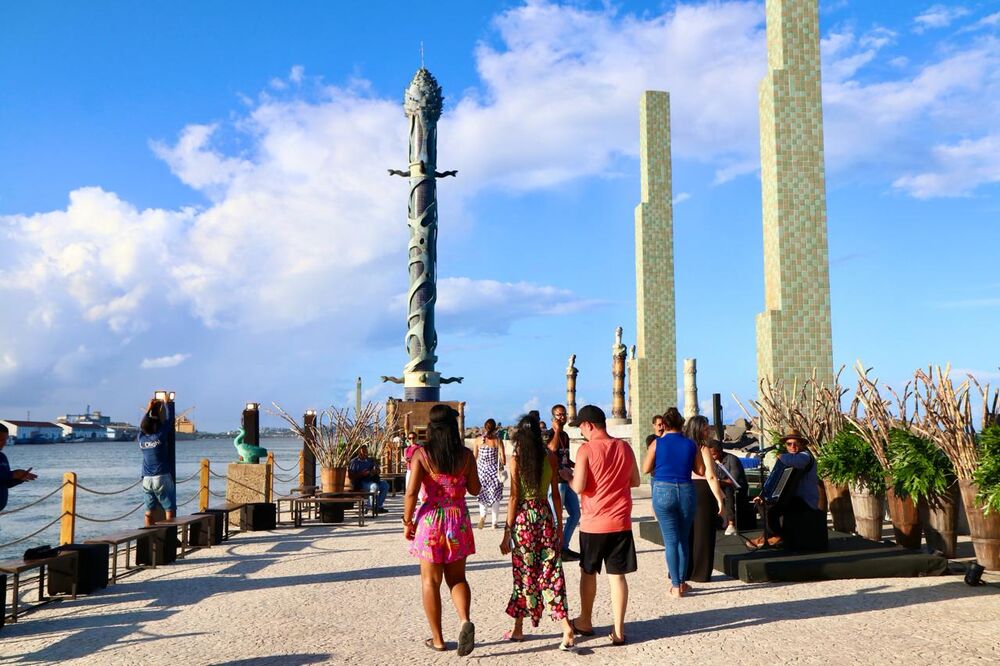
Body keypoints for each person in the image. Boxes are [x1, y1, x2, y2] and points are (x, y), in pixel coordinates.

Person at [403, 404, 480, 655]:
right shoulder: (466, 456)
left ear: (431, 428)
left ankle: (437, 639)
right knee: (457, 578)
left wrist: (407, 522)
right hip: (458, 520)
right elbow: (475, 489)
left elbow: (412, 492)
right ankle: (464, 620)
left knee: (430, 581)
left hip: (431, 522)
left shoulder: (422, 456)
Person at [500, 414, 575, 650]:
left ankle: (519, 628)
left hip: (523, 520)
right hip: (544, 516)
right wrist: (559, 525)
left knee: (524, 573)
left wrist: (506, 533)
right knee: (551, 572)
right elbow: (554, 493)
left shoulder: (516, 459)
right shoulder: (550, 457)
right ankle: (566, 627)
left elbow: (513, 497)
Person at [568, 405, 640, 646]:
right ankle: (618, 630)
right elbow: (635, 481)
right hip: (620, 521)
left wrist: (567, 477)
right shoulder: (624, 447)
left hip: (594, 523)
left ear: (588, 425)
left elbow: (579, 487)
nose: (581, 432)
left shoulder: (586, 450)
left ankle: (585, 620)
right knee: (617, 576)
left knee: (589, 572)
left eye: (581, 427)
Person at [642, 408, 722, 598]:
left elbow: (645, 468)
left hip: (663, 490)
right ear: (681, 424)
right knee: (683, 540)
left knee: (670, 541)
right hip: (686, 490)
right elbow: (701, 470)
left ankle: (675, 586)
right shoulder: (691, 445)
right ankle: (683, 583)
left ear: (666, 424)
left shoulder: (656, 443)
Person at [751, 430, 819, 547]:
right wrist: (763, 495)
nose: (792, 446)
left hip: (805, 500)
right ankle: (770, 536)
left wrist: (779, 455)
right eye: (789, 444)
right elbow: (774, 478)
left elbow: (793, 461)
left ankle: (776, 535)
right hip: (791, 496)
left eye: (796, 443)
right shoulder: (790, 457)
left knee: (772, 508)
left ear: (802, 444)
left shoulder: (805, 456)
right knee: (762, 503)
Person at [683, 415, 726, 584]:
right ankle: (700, 573)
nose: (708, 430)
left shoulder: (684, 446)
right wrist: (720, 499)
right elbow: (711, 476)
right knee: (703, 533)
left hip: (685, 488)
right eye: (706, 427)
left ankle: (683, 571)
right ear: (699, 429)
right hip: (702, 490)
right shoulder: (702, 448)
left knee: (687, 532)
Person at [547, 403, 581, 561]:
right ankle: (553, 550)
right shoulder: (548, 434)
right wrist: (556, 431)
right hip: (555, 481)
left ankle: (563, 546)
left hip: (567, 479)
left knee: (575, 514)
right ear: (553, 417)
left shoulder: (566, 436)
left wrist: (578, 465)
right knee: (556, 517)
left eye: (564, 414)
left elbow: (565, 457)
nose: (562, 417)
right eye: (559, 415)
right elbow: (552, 450)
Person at [138, 399, 176, 527]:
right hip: (161, 476)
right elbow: (170, 420)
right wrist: (168, 403)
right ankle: (170, 535)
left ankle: (148, 535)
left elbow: (141, 426)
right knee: (169, 508)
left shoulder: (141, 439)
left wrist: (149, 408)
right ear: (154, 426)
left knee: (149, 511)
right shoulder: (159, 436)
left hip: (146, 479)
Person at [709, 441, 748, 535]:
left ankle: (731, 523)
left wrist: (717, 482)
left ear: (720, 452)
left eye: (714, 454)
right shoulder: (711, 461)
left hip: (736, 487)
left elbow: (733, 480)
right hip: (720, 486)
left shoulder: (732, 459)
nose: (711, 457)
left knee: (728, 489)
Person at [473, 419, 506, 529]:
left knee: (482, 495)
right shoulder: (498, 441)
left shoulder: (478, 440)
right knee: (495, 496)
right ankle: (494, 522)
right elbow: (504, 460)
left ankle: (483, 516)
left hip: (481, 472)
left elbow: (474, 458)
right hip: (494, 473)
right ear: (495, 427)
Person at [0, 423, 38, 518]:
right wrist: (13, 474)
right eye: (0, 440)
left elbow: (5, 483)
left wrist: (19, 479)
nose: (4, 443)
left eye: (5, 440)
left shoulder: (2, 457)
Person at [348, 445, 389, 515]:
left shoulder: (370, 460)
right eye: (363, 452)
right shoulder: (354, 462)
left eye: (366, 452)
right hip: (361, 482)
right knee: (374, 486)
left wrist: (376, 471)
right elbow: (351, 476)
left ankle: (378, 506)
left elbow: (378, 470)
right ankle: (369, 507)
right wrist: (361, 474)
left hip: (373, 479)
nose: (365, 454)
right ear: (358, 452)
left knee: (385, 485)